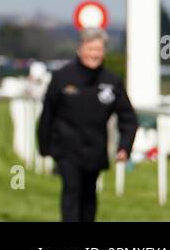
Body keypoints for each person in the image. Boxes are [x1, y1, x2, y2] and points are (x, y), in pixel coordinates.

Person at [37, 28, 138, 222]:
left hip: (95, 149)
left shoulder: (112, 81)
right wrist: (44, 147)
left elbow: (128, 117)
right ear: (80, 49)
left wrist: (125, 146)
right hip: (66, 148)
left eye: (98, 49)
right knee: (72, 188)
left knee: (89, 193)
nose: (94, 54)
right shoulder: (62, 77)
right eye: (90, 48)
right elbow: (47, 114)